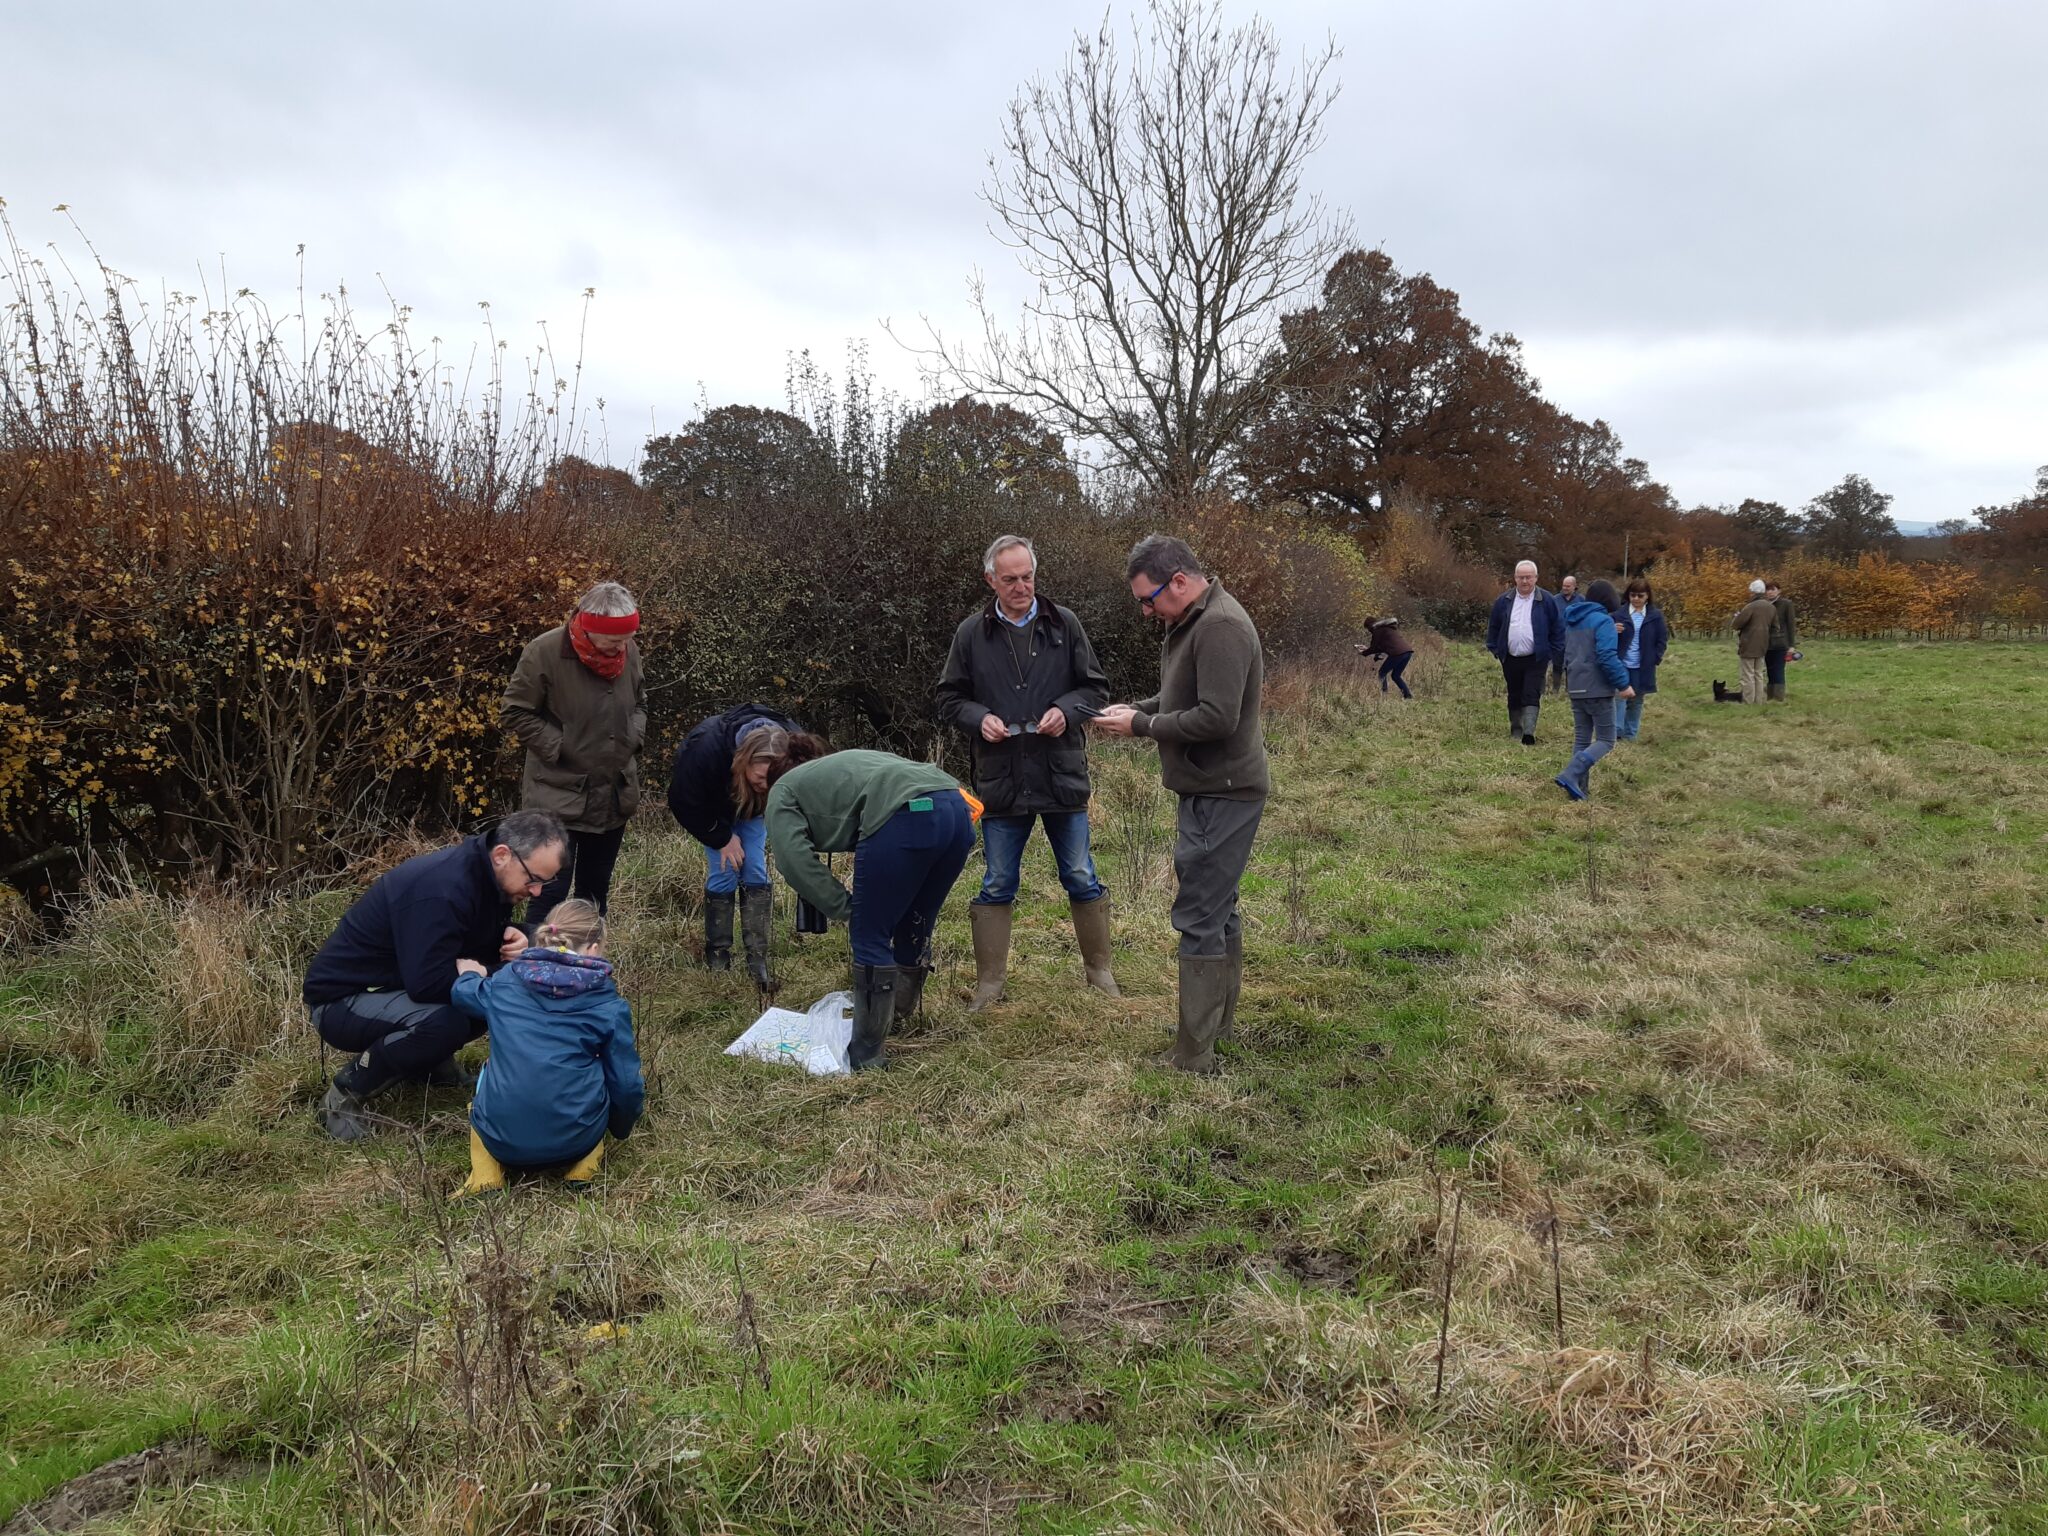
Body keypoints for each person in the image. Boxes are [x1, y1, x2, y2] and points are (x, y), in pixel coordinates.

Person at [1094, 535, 1266, 1075]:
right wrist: (1137, 709)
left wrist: (1142, 726)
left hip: (1225, 791)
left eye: (1150, 599)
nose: (1147, 611)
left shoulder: (1219, 627)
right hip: (1207, 788)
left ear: (1182, 581)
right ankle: (1216, 1032)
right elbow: (1184, 698)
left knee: (1199, 914)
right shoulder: (1191, 620)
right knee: (1217, 909)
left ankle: (1194, 1056)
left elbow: (1217, 717)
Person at [303, 810, 567, 1142]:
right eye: (533, 879)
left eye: (545, 881)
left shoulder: (487, 878)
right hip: (341, 1002)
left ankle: (430, 1067)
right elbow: (429, 983)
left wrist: (524, 936)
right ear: (502, 855)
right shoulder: (443, 889)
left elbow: (476, 945)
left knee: (486, 994)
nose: (537, 892)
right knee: (453, 1016)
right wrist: (489, 972)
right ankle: (344, 1096)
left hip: (394, 989)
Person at [935, 534, 1117, 1011]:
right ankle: (989, 986)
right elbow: (949, 698)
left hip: (1061, 775)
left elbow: (1095, 688)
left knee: (1080, 873)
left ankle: (1100, 973)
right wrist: (979, 718)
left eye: (1028, 576)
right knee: (997, 881)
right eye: (1011, 578)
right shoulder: (970, 634)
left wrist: (1066, 710)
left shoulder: (1065, 624)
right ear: (990, 580)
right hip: (1001, 780)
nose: (1022, 587)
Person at [764, 749, 981, 1071]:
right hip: (955, 806)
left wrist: (847, 908)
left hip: (904, 814)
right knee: (916, 921)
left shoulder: (781, 792)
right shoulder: (840, 769)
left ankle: (866, 1056)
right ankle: (898, 1016)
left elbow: (792, 860)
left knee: (869, 936)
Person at [449, 899, 643, 1197]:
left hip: (502, 1142)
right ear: (593, 949)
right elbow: (626, 1084)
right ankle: (583, 1168)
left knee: (487, 1075)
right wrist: (618, 1128)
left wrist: (470, 974)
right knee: (602, 1070)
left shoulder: (504, 983)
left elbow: (465, 996)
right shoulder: (607, 1005)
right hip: (577, 1140)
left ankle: (486, 1176)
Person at [500, 580, 648, 926]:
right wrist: (561, 746)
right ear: (589, 628)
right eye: (612, 641)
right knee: (548, 893)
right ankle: (535, 969)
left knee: (594, 894)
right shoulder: (544, 652)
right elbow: (515, 711)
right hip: (556, 798)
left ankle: (586, 971)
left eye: (625, 640)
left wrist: (632, 736)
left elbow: (641, 701)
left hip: (613, 796)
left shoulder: (630, 651)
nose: (620, 649)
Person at [666, 705, 824, 987]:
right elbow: (683, 801)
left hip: (755, 813)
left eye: (774, 779)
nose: (766, 785)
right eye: (761, 778)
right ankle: (718, 956)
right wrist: (721, 838)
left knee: (754, 868)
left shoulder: (795, 746)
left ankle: (758, 959)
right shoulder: (706, 750)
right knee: (725, 869)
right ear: (744, 761)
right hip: (713, 811)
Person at [1554, 580, 1634, 801]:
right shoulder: (1604, 621)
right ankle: (1570, 773)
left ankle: (1578, 792)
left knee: (1582, 740)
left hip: (1576, 686)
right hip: (1597, 689)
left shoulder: (1572, 621)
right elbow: (1607, 657)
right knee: (1607, 740)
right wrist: (1623, 684)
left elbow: (1567, 653)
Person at [1485, 561, 1566, 745]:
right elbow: (1494, 626)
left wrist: (1551, 653)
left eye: (1528, 577)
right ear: (1515, 578)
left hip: (1536, 658)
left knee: (1531, 693)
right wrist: (1495, 649)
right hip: (1510, 657)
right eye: (1521, 577)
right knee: (1514, 692)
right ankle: (1516, 728)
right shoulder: (1503, 601)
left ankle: (1529, 732)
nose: (1524, 581)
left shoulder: (1546, 601)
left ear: (1536, 578)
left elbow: (1558, 629)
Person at [1612, 579, 1668, 741]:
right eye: (1633, 595)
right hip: (1621, 664)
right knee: (1619, 698)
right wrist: (1612, 629)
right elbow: (1605, 637)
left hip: (1643, 666)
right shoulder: (1618, 615)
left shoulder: (1655, 616)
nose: (1636, 598)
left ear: (1647, 597)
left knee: (1636, 701)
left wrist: (1655, 658)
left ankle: (1631, 735)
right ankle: (1617, 733)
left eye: (1640, 595)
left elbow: (1662, 640)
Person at [1732, 579, 1777, 705]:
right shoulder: (1771, 607)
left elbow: (1736, 624)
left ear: (1752, 592)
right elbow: (1775, 626)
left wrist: (1736, 617)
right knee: (1759, 674)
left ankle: (1748, 701)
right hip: (1763, 644)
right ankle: (1759, 701)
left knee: (1747, 675)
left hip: (1749, 643)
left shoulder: (1750, 607)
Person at [1355, 616, 1415, 698]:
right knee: (1395, 676)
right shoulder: (1387, 628)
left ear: (1370, 626)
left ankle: (1384, 695)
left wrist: (1363, 653)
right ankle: (1408, 696)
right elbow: (1381, 647)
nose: (1369, 631)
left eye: (1368, 628)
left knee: (1382, 673)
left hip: (1397, 653)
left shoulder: (1377, 631)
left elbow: (1374, 648)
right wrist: (1366, 649)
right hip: (1407, 652)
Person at [1765, 581, 1798, 701]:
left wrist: (1791, 645)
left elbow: (1790, 625)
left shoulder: (1786, 604)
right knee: (1769, 670)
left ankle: (1779, 697)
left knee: (1778, 670)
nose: (1770, 592)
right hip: (1766, 643)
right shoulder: (1763, 604)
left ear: (1779, 591)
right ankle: (1769, 695)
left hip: (1780, 643)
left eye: (1772, 589)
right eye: (1767, 590)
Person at [1548, 575, 1578, 694]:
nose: (1565, 588)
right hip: (1558, 638)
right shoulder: (1554, 600)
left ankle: (1569, 690)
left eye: (1568, 586)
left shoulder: (1581, 600)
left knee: (1572, 666)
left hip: (1575, 639)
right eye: (1563, 585)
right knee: (1557, 664)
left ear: (1574, 586)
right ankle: (1555, 689)